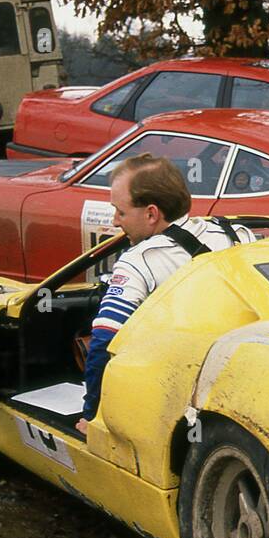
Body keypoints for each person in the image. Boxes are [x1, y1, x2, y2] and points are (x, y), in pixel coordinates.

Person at [75, 153, 255, 435]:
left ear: (151, 214)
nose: (115, 221)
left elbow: (104, 342)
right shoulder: (237, 233)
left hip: (178, 401)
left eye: (120, 212)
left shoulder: (138, 260)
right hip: (248, 382)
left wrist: (93, 416)